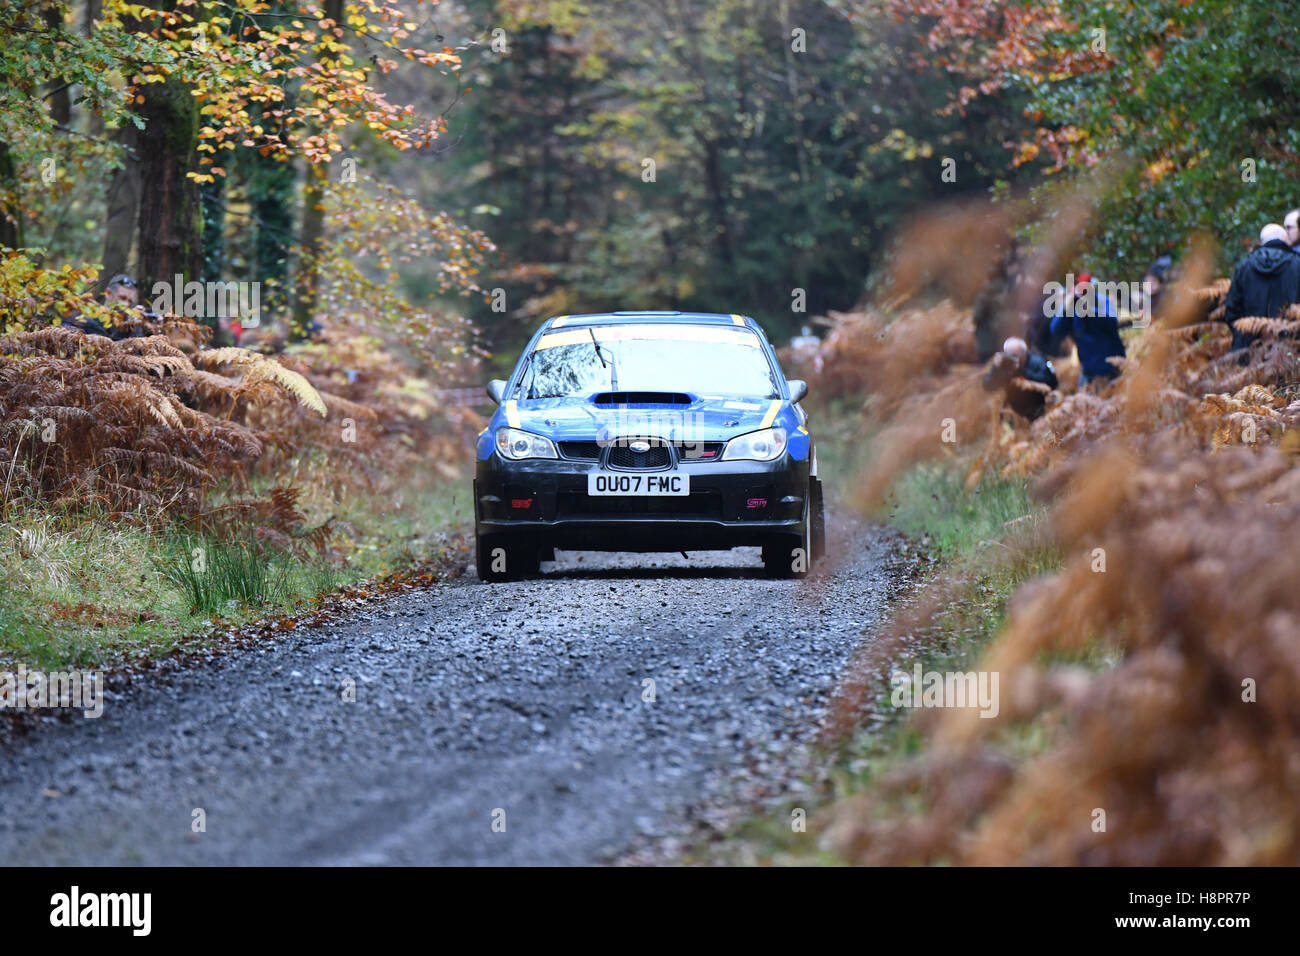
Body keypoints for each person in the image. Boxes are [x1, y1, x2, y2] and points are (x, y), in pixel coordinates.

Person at [1223, 223, 1300, 350]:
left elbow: (1232, 310)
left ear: (1262, 241)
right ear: (1285, 239)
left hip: (1248, 348)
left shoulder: (1244, 266)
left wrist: (1245, 332)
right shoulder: (1297, 264)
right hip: (1289, 348)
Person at [1048, 272, 1125, 386]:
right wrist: (1065, 308)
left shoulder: (1102, 301)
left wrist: (1089, 311)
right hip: (1089, 371)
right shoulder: (1071, 308)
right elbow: (1056, 330)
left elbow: (1112, 322)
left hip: (1113, 367)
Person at [983, 336, 1058, 420]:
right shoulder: (1004, 365)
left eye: (1016, 355)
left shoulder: (1038, 361)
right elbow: (987, 386)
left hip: (1037, 410)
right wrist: (995, 369)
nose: (1014, 359)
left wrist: (1024, 373)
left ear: (1024, 352)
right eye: (1010, 355)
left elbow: (1052, 382)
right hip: (1012, 413)